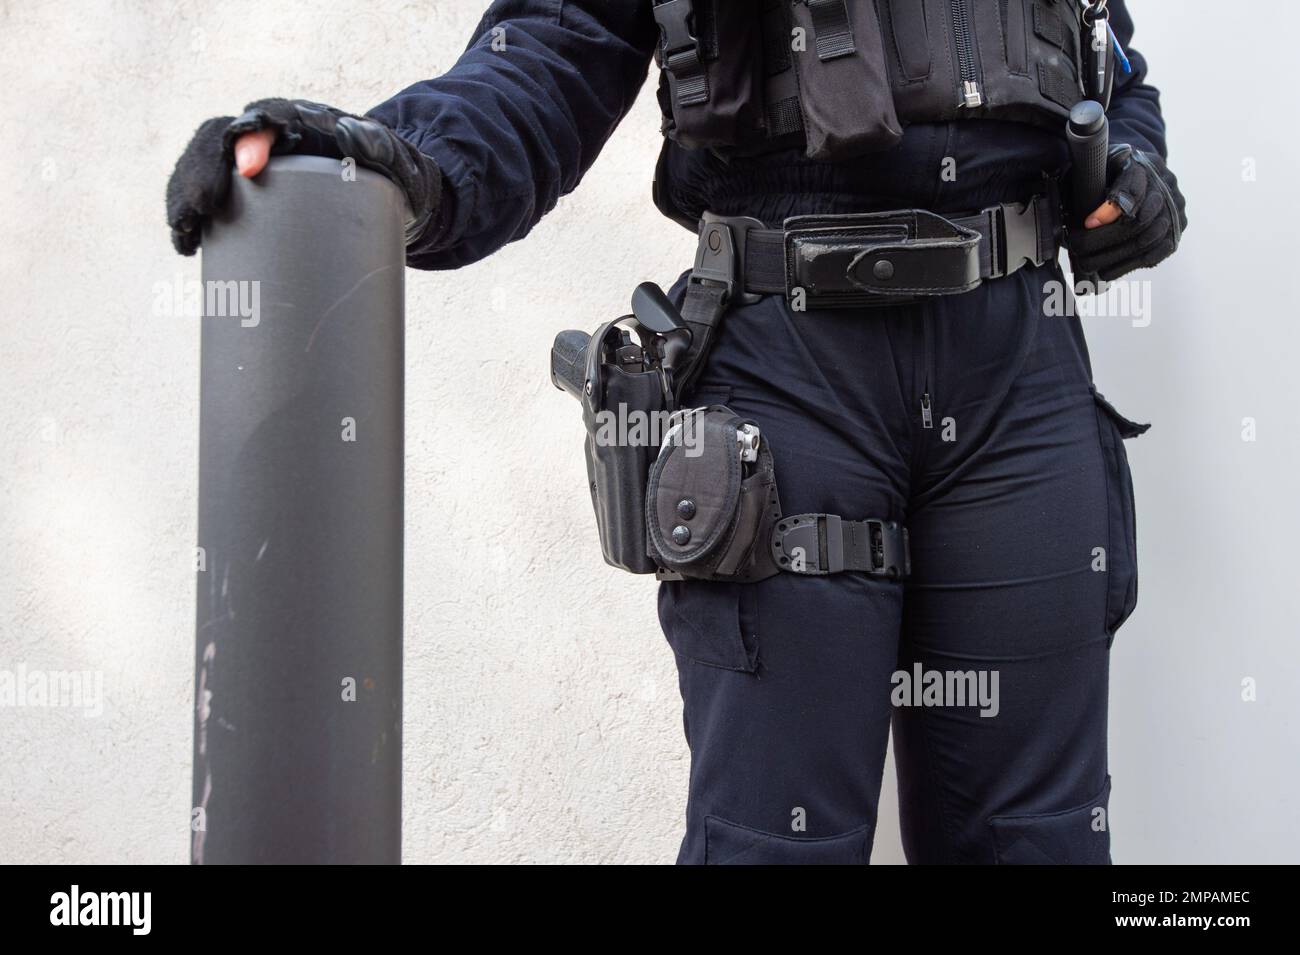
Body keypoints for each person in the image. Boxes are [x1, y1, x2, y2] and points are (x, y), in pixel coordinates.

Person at [167, 0, 1186, 864]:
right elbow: (554, 51)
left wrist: (1135, 169)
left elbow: (1108, 61)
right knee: (769, 842)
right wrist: (382, 159)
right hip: (790, 380)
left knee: (1036, 839)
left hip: (1016, 376)